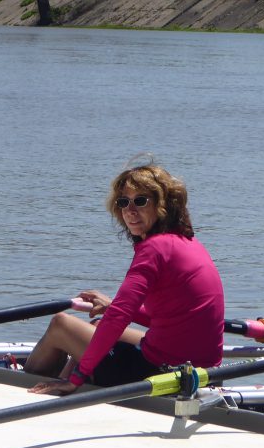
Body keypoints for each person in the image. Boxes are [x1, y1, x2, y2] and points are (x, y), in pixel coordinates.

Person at [25, 162, 225, 395]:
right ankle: (71, 376)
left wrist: (76, 380)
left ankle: (27, 386)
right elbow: (172, 316)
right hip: (205, 373)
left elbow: (119, 318)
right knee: (99, 325)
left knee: (61, 324)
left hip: (162, 375)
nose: (130, 210)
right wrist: (112, 306)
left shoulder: (153, 249)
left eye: (141, 201)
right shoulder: (189, 243)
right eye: (123, 202)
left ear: (163, 206)